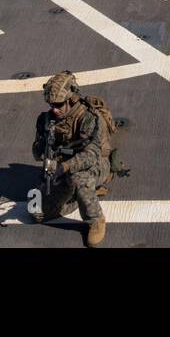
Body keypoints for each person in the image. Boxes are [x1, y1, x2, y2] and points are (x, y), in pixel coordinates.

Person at [31, 71, 112, 246]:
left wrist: (64, 167)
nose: (54, 109)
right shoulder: (46, 119)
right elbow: (37, 153)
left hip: (95, 164)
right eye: (51, 104)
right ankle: (75, 198)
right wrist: (42, 147)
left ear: (71, 99)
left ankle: (95, 219)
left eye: (59, 104)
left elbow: (91, 156)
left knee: (79, 179)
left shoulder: (88, 118)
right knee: (35, 212)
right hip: (61, 167)